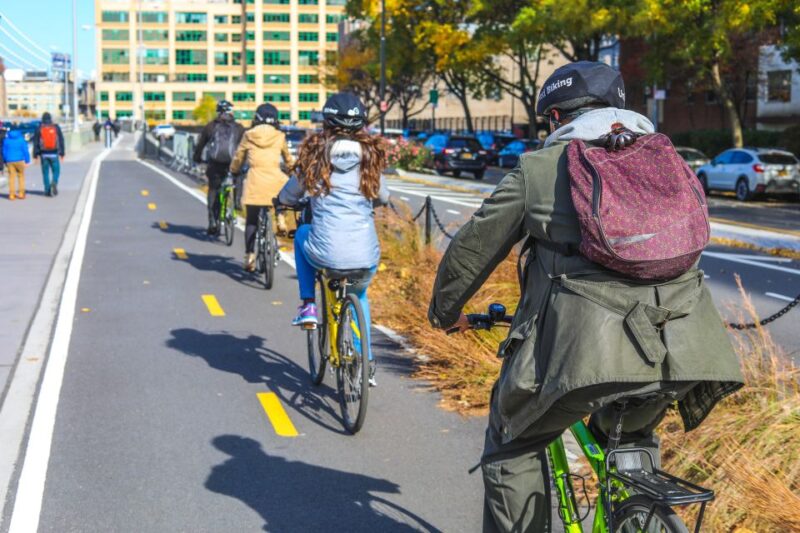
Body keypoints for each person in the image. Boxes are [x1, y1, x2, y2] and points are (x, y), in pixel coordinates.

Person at [427, 61, 744, 532]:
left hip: (583, 357)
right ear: (619, 108)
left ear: (555, 119)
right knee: (632, 435)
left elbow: (474, 247)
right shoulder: (669, 159)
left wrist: (444, 313)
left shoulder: (539, 169)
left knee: (513, 442)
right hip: (687, 348)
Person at [278, 92, 389, 386]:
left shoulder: (316, 155)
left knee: (302, 233)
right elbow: (383, 197)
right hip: (365, 254)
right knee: (360, 294)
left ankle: (307, 305)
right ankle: (366, 362)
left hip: (325, 251)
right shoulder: (370, 158)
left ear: (326, 121)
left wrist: (282, 200)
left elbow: (291, 194)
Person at [230, 103, 294, 272]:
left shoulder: (249, 135)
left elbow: (239, 157)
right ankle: (280, 216)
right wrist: (293, 170)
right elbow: (288, 158)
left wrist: (234, 170)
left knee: (251, 220)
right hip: (275, 177)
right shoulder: (279, 136)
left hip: (255, 180)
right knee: (282, 195)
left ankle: (249, 256)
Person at [193, 100, 245, 235]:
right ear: (230, 112)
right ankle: (237, 201)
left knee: (213, 189)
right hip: (233, 164)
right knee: (238, 176)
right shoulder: (239, 128)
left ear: (218, 112)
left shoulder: (210, 127)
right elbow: (244, 147)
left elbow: (200, 146)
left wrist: (197, 158)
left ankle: (212, 220)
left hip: (215, 164)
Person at [32, 112, 65, 197]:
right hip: (54, 153)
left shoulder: (39, 128)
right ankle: (54, 182)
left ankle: (47, 190)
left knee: (45, 173)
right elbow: (61, 140)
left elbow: (35, 142)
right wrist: (62, 153)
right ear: (50, 119)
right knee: (56, 171)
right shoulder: (56, 128)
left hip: (44, 154)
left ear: (42, 119)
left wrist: (35, 155)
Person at [2, 128, 30, 200]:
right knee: (21, 176)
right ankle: (21, 193)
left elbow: (4, 152)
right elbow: (25, 150)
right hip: (20, 160)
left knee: (11, 177)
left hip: (10, 161)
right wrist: (27, 160)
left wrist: (5, 160)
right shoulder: (21, 140)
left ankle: (11, 194)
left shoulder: (6, 140)